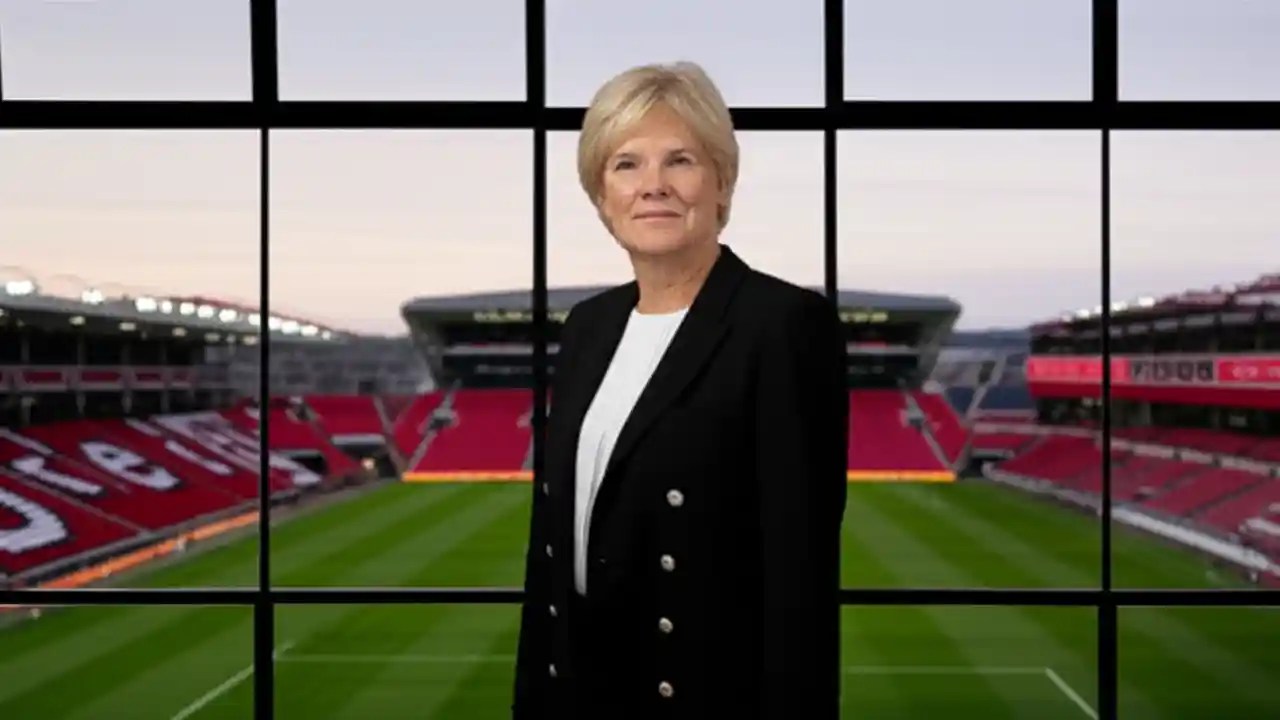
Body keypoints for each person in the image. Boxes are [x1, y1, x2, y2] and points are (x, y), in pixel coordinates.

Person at [512, 60, 849, 719]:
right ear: (601, 195)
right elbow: (549, 553)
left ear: (721, 184)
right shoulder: (587, 328)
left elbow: (798, 580)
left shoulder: (782, 325)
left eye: (681, 161)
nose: (654, 187)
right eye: (626, 165)